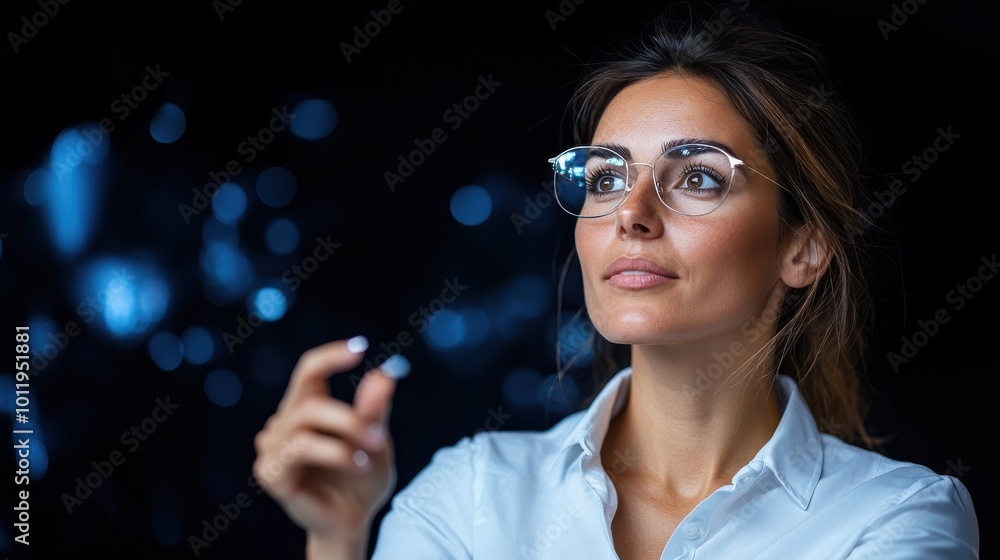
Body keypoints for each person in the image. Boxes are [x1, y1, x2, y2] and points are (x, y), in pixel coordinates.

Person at [252, 6, 980, 559]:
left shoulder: (895, 518)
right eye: (606, 177)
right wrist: (338, 537)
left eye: (696, 177)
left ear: (804, 248)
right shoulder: (474, 493)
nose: (631, 213)